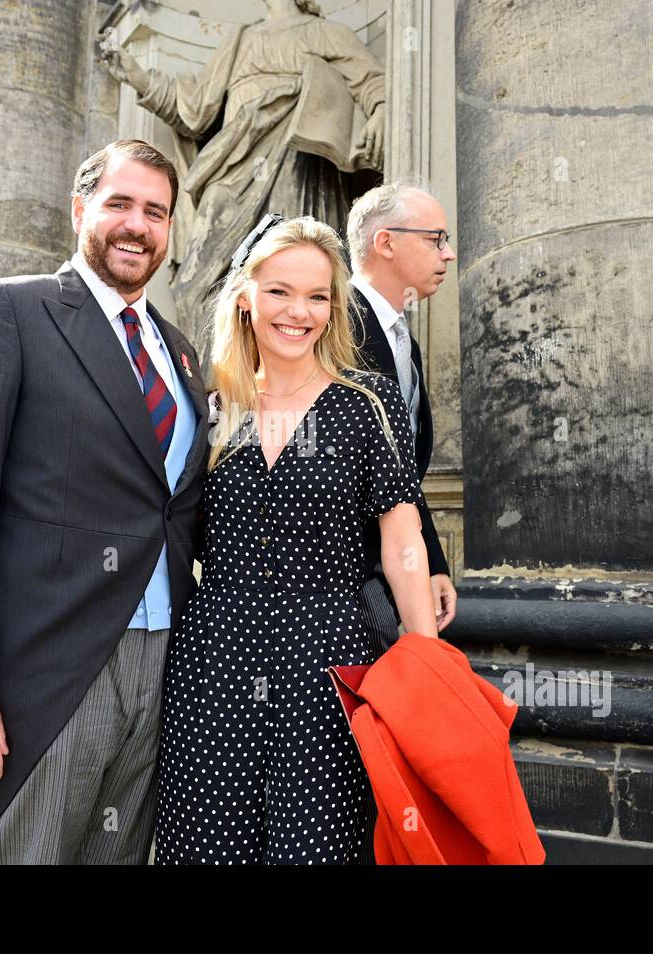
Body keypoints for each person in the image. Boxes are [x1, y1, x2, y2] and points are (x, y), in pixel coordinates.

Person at [0, 139, 208, 864]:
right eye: (121, 205)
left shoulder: (180, 352)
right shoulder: (12, 313)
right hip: (46, 669)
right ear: (81, 210)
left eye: (157, 213)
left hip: (162, 659)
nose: (138, 226)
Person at [155, 215, 439, 864]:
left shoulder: (369, 402)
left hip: (332, 662)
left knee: (317, 846)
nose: (299, 312)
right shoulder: (208, 407)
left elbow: (403, 543)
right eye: (281, 291)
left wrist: (424, 662)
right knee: (207, 845)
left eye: (318, 296)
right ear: (246, 295)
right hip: (215, 661)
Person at [98, 0, 385, 328]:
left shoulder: (328, 33)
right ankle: (207, 370)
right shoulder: (239, 41)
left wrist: (380, 108)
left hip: (294, 165)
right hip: (231, 166)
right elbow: (193, 107)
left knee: (287, 268)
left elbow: (372, 81)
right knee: (198, 282)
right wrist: (139, 77)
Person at [345, 181, 458, 648]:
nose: (447, 254)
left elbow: (401, 471)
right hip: (342, 584)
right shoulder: (333, 324)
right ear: (385, 242)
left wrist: (429, 562)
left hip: (385, 578)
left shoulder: (401, 338)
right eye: (435, 239)